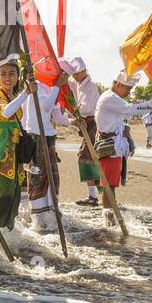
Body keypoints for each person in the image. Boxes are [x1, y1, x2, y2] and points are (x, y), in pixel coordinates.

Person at [93, 71, 152, 223]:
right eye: (127, 89)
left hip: (114, 146)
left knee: (111, 185)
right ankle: (108, 218)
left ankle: (110, 215)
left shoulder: (112, 97)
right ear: (118, 84)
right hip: (109, 146)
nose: (128, 93)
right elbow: (132, 110)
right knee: (109, 185)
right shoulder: (110, 98)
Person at [17, 68, 70, 232]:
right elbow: (45, 107)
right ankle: (38, 220)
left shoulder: (47, 88)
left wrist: (74, 122)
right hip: (36, 139)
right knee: (37, 179)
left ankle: (50, 216)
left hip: (47, 138)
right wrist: (57, 85)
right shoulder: (37, 85)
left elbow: (57, 116)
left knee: (52, 179)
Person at [0, 60, 26, 234]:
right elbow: (6, 112)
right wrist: (26, 93)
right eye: (3, 74)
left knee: (13, 190)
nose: (7, 78)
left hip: (14, 147)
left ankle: (5, 232)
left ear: (18, 76)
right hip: (1, 147)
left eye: (11, 74)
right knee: (0, 190)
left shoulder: (13, 96)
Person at [61, 56, 102, 207]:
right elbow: (67, 82)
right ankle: (98, 194)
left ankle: (94, 196)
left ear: (84, 71)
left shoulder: (89, 85)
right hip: (87, 123)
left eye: (76, 73)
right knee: (92, 158)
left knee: (86, 157)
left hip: (92, 124)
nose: (74, 76)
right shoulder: (78, 82)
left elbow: (84, 108)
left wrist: (73, 109)